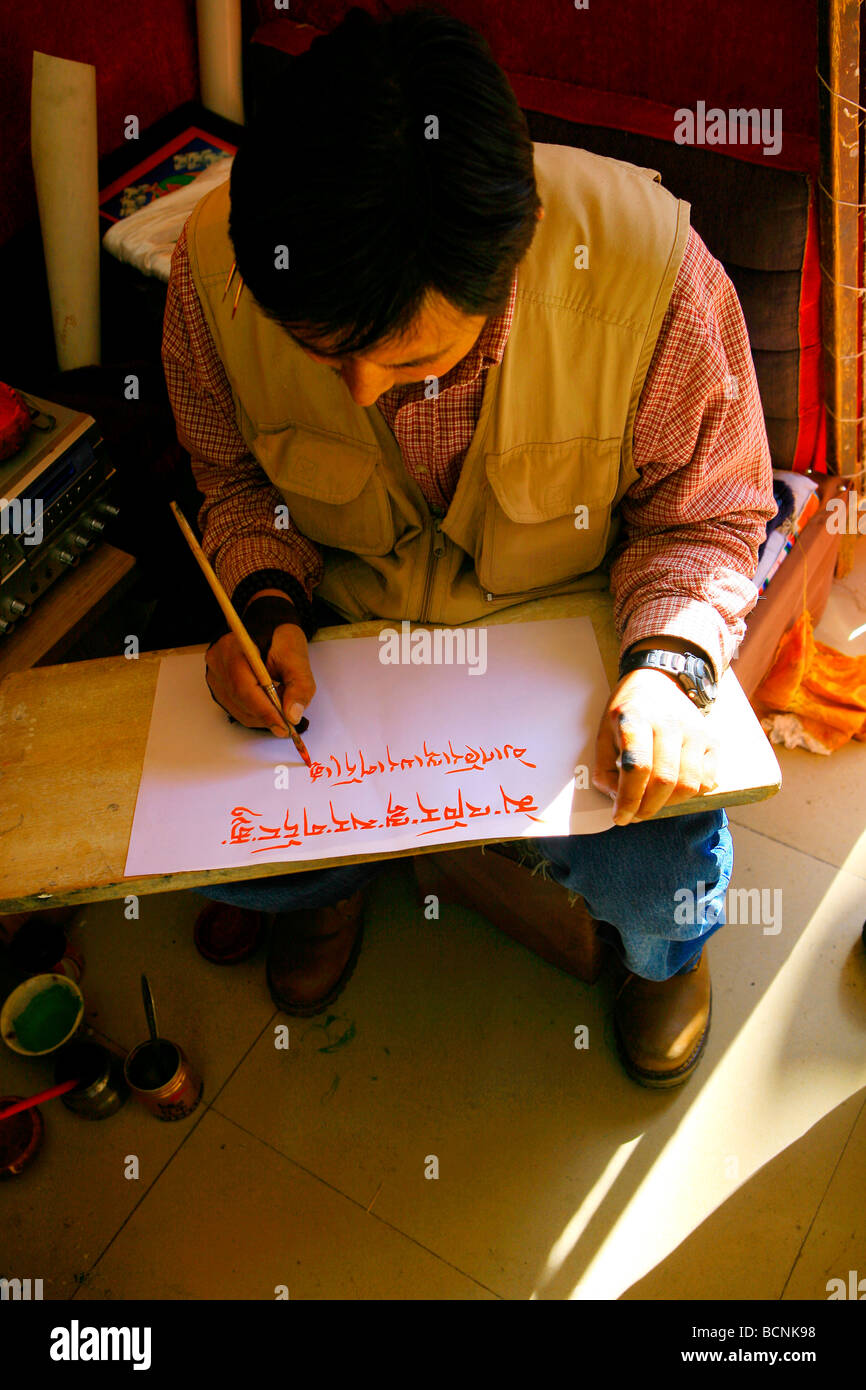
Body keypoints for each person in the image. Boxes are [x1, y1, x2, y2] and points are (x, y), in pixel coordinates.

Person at [161, 7, 776, 1087]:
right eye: (321, 352)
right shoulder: (216, 272)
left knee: (657, 863)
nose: (353, 394)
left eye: (403, 360)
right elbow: (238, 483)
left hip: (576, 652)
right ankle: (326, 883)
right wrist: (263, 612)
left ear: (504, 270)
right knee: (231, 848)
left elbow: (708, 518)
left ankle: (658, 957)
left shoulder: (654, 285)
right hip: (348, 638)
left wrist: (669, 668)